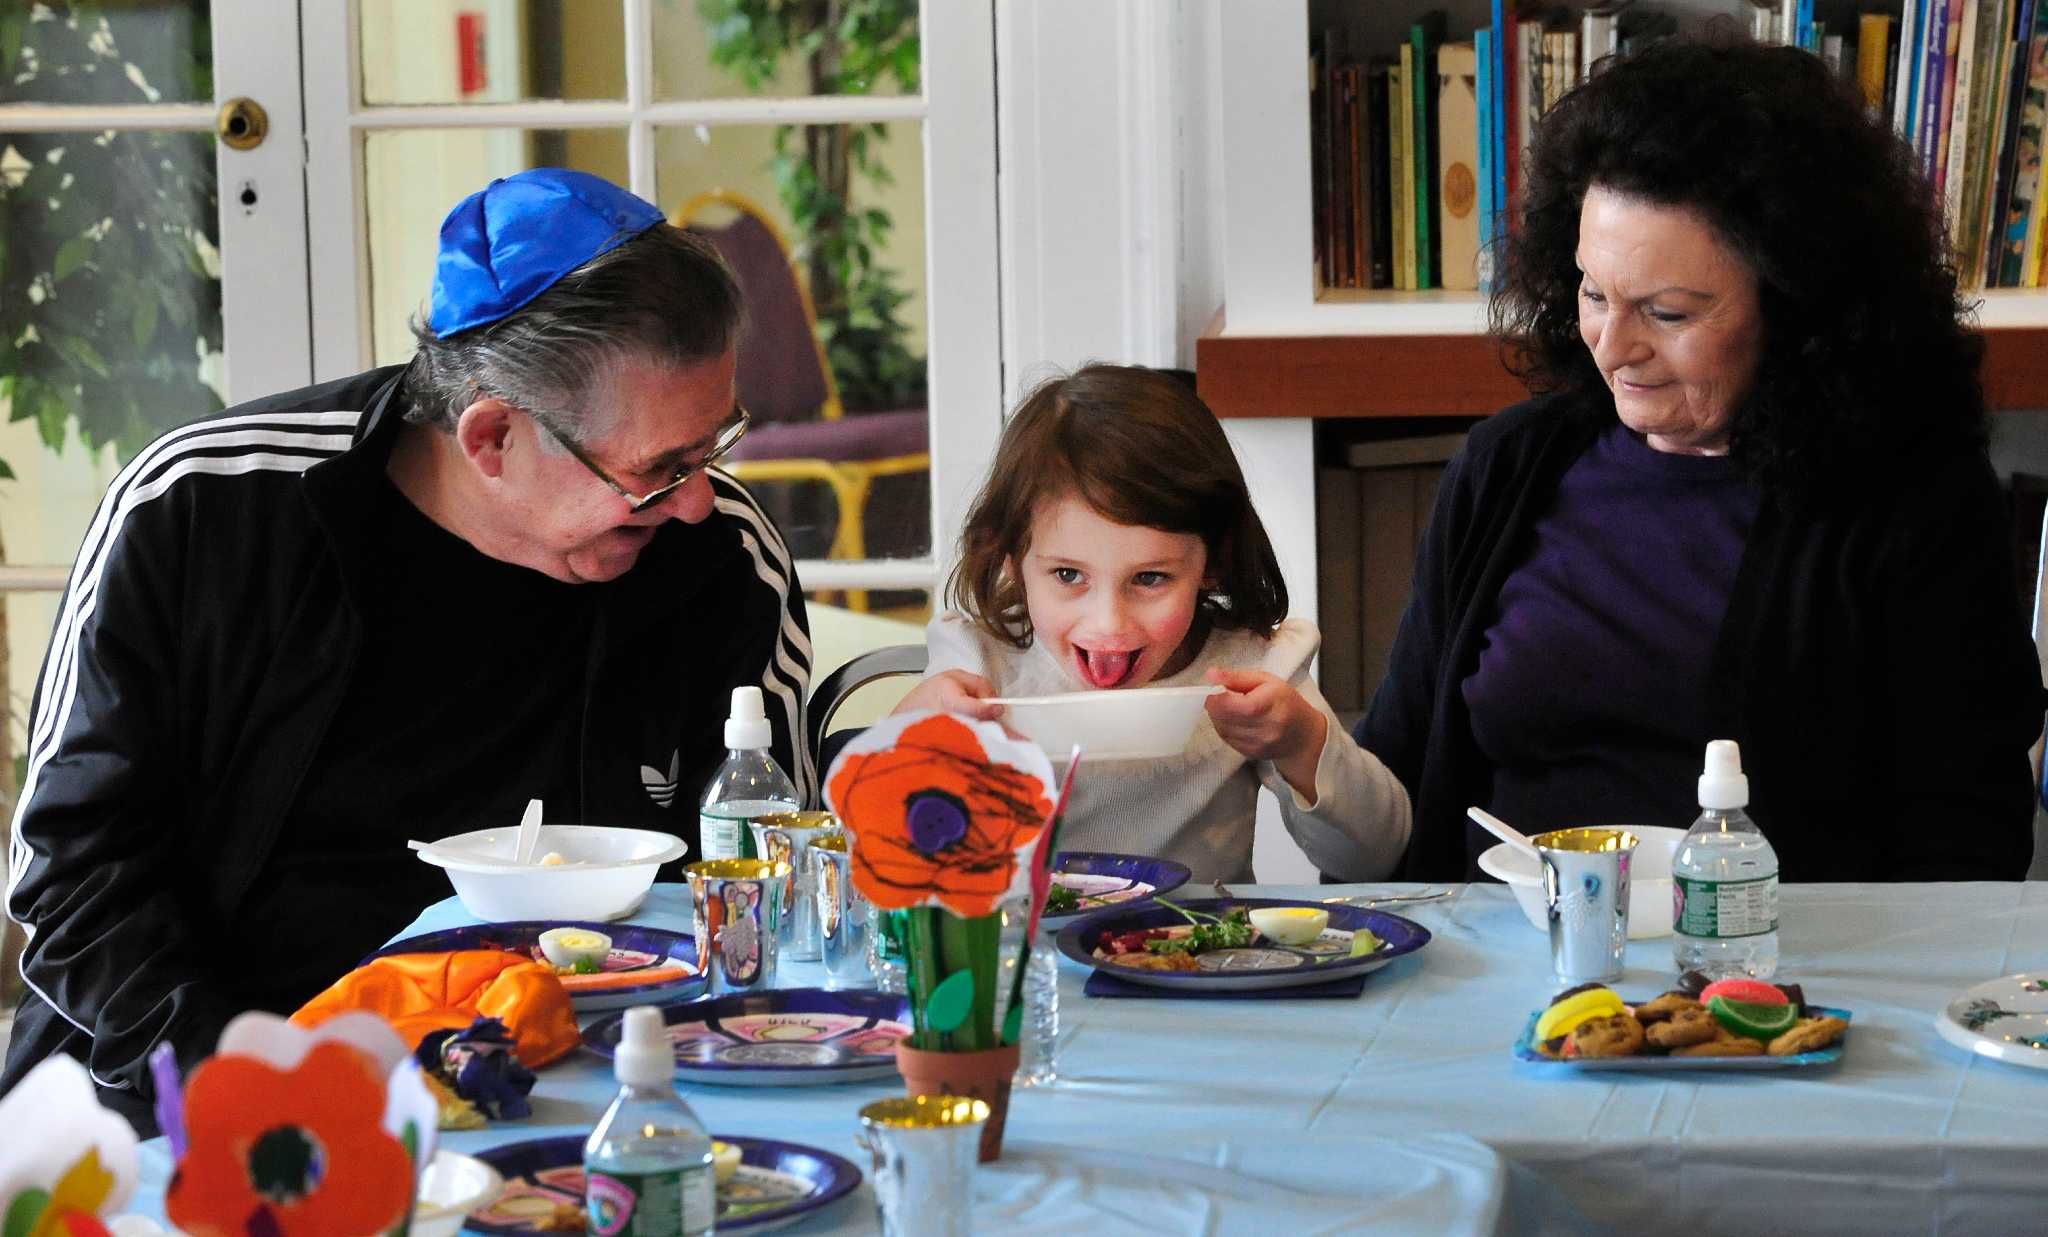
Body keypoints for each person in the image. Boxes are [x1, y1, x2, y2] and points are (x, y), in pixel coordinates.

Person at [1, 168, 813, 1127]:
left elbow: (772, 883)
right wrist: (248, 1086)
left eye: (715, 444)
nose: (698, 499)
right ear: (493, 435)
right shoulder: (205, 509)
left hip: (583, 1097)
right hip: (192, 1091)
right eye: (658, 471)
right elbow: (72, 869)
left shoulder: (718, 556)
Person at [1358, 40, 2046, 883]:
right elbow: (1395, 775)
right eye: (1592, 293)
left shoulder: (1911, 503)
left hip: (1775, 984)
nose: (1615, 348)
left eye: (1668, 311)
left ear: (1794, 305)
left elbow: (1969, 847)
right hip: (1502, 961)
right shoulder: (1506, 468)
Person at [893, 364, 1409, 884]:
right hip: (1023, 957)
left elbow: (1376, 855)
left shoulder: (1254, 672)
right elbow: (870, 856)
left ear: (1214, 563)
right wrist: (905, 735)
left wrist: (1301, 742)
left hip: (1196, 953)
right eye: (1068, 574)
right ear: (1009, 558)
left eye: (1151, 578)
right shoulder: (980, 662)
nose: (1108, 624)